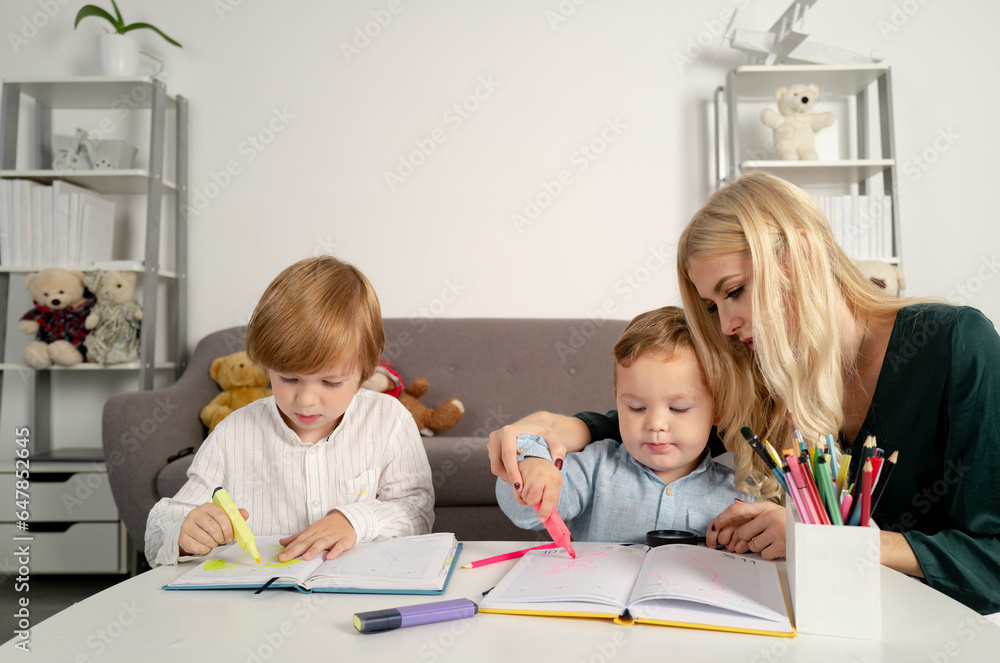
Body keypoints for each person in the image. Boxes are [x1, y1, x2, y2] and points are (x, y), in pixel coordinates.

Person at [489, 173, 1000, 615]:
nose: (728, 324)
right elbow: (674, 429)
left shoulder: (955, 346)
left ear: (799, 252)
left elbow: (992, 561)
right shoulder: (763, 364)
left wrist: (830, 544)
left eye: (734, 291)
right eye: (712, 307)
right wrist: (571, 430)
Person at [145, 256, 434, 567]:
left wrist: (354, 520)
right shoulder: (234, 433)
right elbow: (159, 530)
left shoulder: (388, 420)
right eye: (288, 378)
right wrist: (184, 533)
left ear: (368, 365)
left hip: (355, 602)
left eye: (331, 382)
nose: (307, 399)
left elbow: (417, 512)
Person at [495, 307, 752, 542]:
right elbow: (524, 513)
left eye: (678, 408)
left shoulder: (741, 495)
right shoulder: (594, 468)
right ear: (617, 398)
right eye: (636, 408)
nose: (655, 424)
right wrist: (533, 465)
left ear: (717, 409)